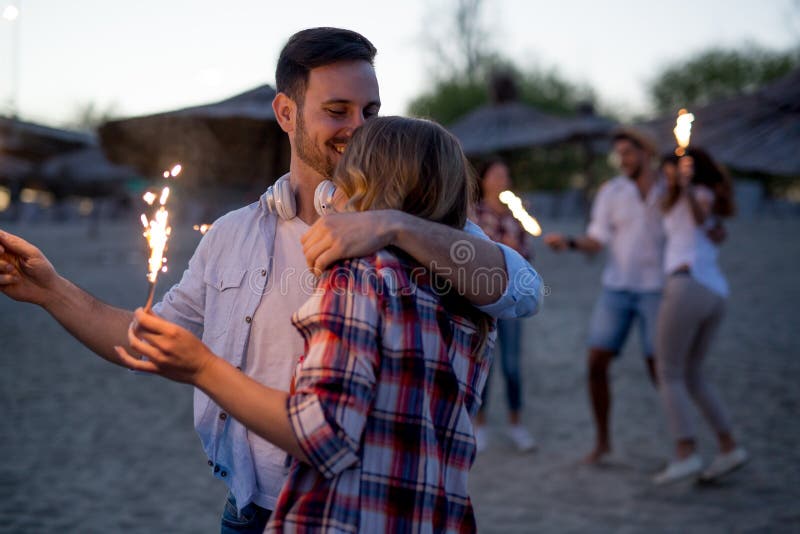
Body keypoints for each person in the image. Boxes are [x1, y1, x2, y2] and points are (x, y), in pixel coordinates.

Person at [0, 28, 542, 531]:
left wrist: (392, 224)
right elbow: (147, 340)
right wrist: (51, 290)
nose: (358, 126)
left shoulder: (419, 223)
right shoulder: (232, 235)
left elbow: (522, 290)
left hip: (365, 510)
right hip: (253, 507)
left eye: (370, 110)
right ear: (287, 112)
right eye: (337, 110)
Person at [115, 115, 494, 532]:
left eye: (345, 181)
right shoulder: (467, 295)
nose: (333, 196)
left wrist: (201, 367)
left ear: (365, 187)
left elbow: (320, 434)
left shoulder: (358, 278)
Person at [544, 128, 664, 464]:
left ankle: (683, 441)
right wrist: (569, 242)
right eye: (619, 154)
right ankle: (602, 442)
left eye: (628, 152)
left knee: (660, 369)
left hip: (657, 289)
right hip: (617, 287)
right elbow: (597, 239)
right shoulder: (612, 192)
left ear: (646, 152)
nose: (622, 160)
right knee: (596, 362)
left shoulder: (669, 189)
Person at [652, 147, 747, 485]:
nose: (666, 177)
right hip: (714, 291)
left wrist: (688, 186)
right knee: (692, 374)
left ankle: (685, 452)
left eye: (670, 171)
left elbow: (698, 217)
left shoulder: (698, 195)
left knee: (669, 372)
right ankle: (729, 445)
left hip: (687, 287)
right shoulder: (692, 197)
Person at [471, 158, 536, 453]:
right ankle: (479, 424)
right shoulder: (473, 213)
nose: (501, 180)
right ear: (483, 179)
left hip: (511, 296)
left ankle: (516, 423)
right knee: (485, 362)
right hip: (482, 298)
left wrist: (515, 246)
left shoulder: (516, 214)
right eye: (496, 174)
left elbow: (528, 254)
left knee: (511, 364)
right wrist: (500, 248)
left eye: (505, 175)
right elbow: (468, 252)